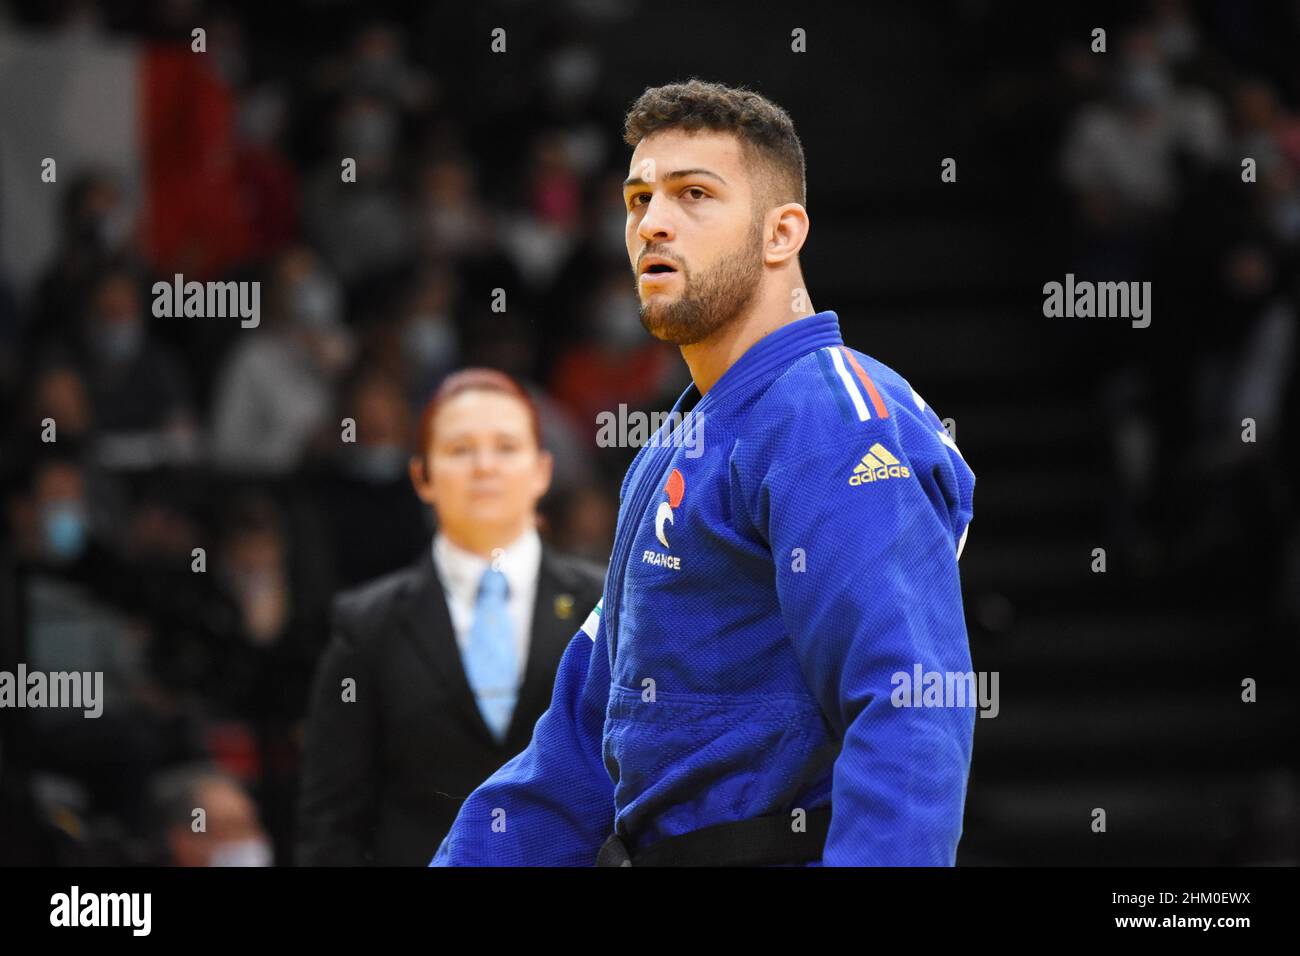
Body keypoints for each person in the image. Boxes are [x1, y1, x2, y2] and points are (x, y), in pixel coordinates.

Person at [432, 80, 976, 867]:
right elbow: (581, 747)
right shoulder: (678, 443)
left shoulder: (830, 418)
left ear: (780, 233)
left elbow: (911, 704)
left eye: (694, 195)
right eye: (638, 197)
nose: (652, 222)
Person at [296, 369, 605, 865]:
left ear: (542, 471)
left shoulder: (605, 604)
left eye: (506, 447)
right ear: (422, 475)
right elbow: (331, 823)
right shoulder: (366, 625)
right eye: (460, 449)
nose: (485, 466)